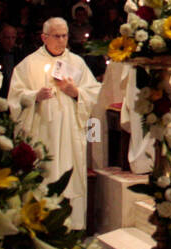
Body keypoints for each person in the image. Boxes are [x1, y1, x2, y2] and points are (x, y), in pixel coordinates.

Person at [9, 17, 102, 230]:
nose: (62, 40)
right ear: (44, 37)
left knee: (69, 177)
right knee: (44, 177)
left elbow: (94, 92)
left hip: (69, 133)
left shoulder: (76, 62)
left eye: (65, 35)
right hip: (42, 131)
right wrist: (35, 96)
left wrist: (76, 92)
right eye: (57, 36)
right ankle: (38, 225)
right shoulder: (29, 64)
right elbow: (14, 98)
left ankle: (70, 227)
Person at [0, 22, 21, 99]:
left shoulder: (20, 54)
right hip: (0, 95)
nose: (10, 41)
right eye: (7, 38)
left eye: (13, 38)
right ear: (1, 38)